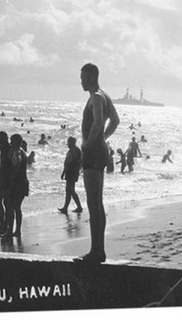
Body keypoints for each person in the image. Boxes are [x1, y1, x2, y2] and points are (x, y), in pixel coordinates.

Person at [76, 62, 120, 263]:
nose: (81, 82)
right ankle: (98, 249)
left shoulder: (96, 97)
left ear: (92, 77)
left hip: (93, 152)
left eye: (84, 78)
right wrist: (103, 138)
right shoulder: (105, 96)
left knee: (93, 203)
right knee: (97, 202)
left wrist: (87, 145)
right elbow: (115, 121)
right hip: (99, 150)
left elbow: (99, 122)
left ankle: (97, 251)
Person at [4, 134, 30, 237]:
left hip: (16, 183)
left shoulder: (17, 152)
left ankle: (10, 231)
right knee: (17, 207)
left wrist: (11, 176)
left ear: (16, 142)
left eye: (12, 141)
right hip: (23, 182)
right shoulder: (23, 152)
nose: (10, 143)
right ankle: (17, 230)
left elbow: (16, 164)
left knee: (10, 206)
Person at [59, 136, 83, 213]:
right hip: (74, 172)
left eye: (68, 142)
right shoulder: (77, 150)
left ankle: (79, 206)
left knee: (70, 190)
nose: (67, 144)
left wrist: (63, 172)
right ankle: (65, 207)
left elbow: (68, 163)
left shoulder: (73, 151)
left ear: (72, 143)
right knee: (68, 190)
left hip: (71, 172)